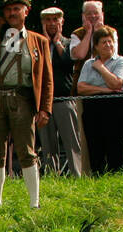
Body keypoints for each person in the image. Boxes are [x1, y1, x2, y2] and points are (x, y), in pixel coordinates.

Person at [0, 0, 54, 209]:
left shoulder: (39, 41)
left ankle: (35, 203)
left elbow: (47, 79)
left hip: (23, 100)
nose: (12, 13)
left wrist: (45, 108)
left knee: (27, 153)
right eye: (8, 9)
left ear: (26, 11)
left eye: (16, 9)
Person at [38, 7, 88, 175]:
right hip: (43, 103)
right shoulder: (37, 43)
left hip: (65, 100)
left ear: (61, 22)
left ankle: (78, 176)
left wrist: (57, 42)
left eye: (55, 20)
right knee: (47, 145)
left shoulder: (69, 43)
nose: (52, 23)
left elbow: (68, 63)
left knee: (72, 143)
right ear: (42, 23)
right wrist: (45, 42)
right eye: (48, 20)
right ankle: (52, 178)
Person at [77, 27, 123, 174]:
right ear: (96, 46)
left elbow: (117, 84)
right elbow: (81, 88)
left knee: (114, 145)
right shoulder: (88, 64)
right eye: (104, 42)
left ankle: (116, 178)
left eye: (110, 41)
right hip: (92, 107)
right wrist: (103, 90)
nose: (108, 45)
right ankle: (97, 179)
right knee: (94, 147)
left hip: (114, 106)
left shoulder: (121, 61)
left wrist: (101, 68)